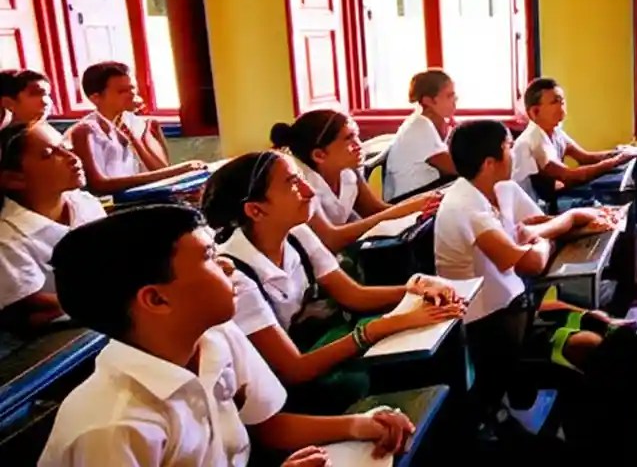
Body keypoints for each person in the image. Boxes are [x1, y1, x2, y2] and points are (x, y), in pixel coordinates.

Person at [39, 205, 418, 466]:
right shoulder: (114, 426)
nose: (226, 263)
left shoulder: (216, 336)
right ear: (156, 298)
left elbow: (267, 424)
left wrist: (359, 424)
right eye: (207, 256)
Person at [202, 151, 465, 414]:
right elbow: (295, 369)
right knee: (405, 373)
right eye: (293, 184)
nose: (308, 191)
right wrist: (380, 328)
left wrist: (414, 289)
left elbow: (354, 295)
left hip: (325, 348)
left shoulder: (297, 233)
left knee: (439, 347)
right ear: (255, 210)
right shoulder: (235, 275)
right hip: (289, 394)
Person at [435, 119, 621, 407]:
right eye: (508, 147)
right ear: (489, 162)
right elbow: (531, 264)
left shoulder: (499, 189)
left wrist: (583, 220)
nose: (513, 153)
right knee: (596, 350)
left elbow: (538, 225)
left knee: (608, 326)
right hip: (492, 331)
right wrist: (551, 232)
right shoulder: (465, 207)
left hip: (518, 307)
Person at [270, 110, 441, 252]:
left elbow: (374, 210)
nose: (359, 145)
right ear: (319, 155)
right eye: (348, 139)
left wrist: (423, 205)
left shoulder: (348, 172)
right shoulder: (303, 186)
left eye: (357, 136)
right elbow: (331, 239)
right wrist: (411, 207)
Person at [0, 121, 106, 332]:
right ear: (14, 179)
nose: (72, 158)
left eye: (65, 147)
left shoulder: (84, 202)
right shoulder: (8, 239)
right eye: (49, 154)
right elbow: (30, 308)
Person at [66, 62, 204, 194]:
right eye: (122, 91)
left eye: (132, 88)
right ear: (95, 98)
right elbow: (99, 185)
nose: (132, 94)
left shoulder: (136, 123)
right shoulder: (86, 130)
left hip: (137, 196)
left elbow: (161, 170)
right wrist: (178, 170)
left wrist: (138, 140)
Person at [511, 77, 637, 201]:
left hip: (548, 198)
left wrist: (619, 152)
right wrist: (616, 161)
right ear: (535, 112)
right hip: (530, 209)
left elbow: (584, 158)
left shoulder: (555, 131)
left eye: (562, 101)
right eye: (554, 102)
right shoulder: (533, 139)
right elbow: (569, 176)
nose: (561, 105)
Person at [383, 69, 458, 202]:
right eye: (449, 96)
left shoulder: (424, 121)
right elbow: (455, 167)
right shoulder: (420, 126)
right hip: (408, 199)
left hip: (424, 192)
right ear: (428, 101)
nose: (455, 100)